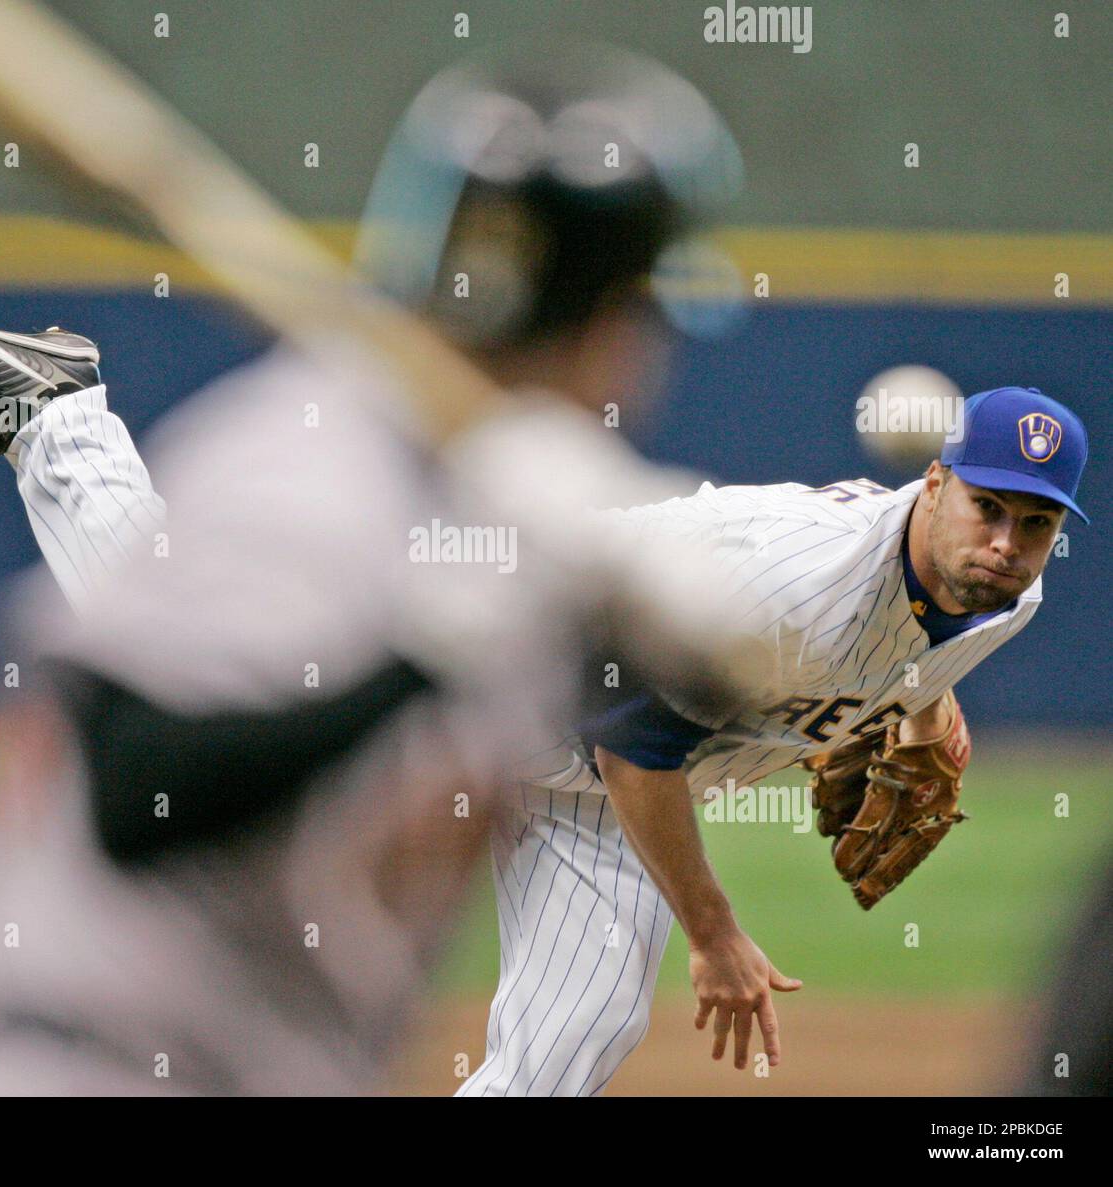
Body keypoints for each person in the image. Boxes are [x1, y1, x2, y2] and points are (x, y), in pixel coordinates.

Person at [0, 46, 743, 1095]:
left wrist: (652, 615)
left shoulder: (510, 504)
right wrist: (430, 653)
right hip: (31, 1065)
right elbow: (132, 794)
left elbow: (704, 677)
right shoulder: (303, 474)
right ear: (611, 321)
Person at [457, 386, 1090, 1096]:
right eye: (989, 508)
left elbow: (900, 652)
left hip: (594, 798)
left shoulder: (1005, 602)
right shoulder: (798, 585)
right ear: (936, 485)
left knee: (571, 1039)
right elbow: (635, 750)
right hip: (478, 684)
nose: (1007, 543)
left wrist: (919, 707)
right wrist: (715, 934)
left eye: (1036, 522)